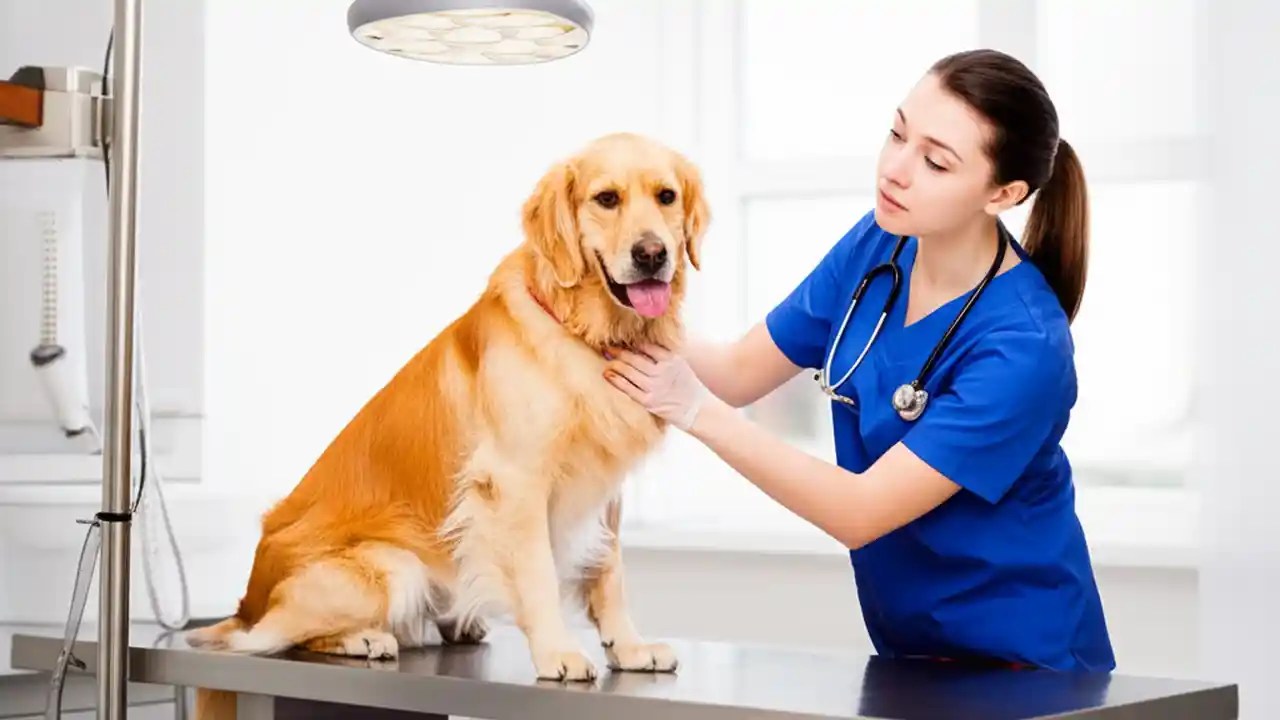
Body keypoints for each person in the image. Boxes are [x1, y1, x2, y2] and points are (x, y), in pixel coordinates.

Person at [603, 48, 1116, 673]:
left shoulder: (1024, 346)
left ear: (1004, 193)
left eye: (934, 161)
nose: (895, 170)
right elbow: (740, 372)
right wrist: (620, 314)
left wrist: (693, 411)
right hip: (913, 655)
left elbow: (859, 512)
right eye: (897, 133)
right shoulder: (881, 243)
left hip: (1028, 669)